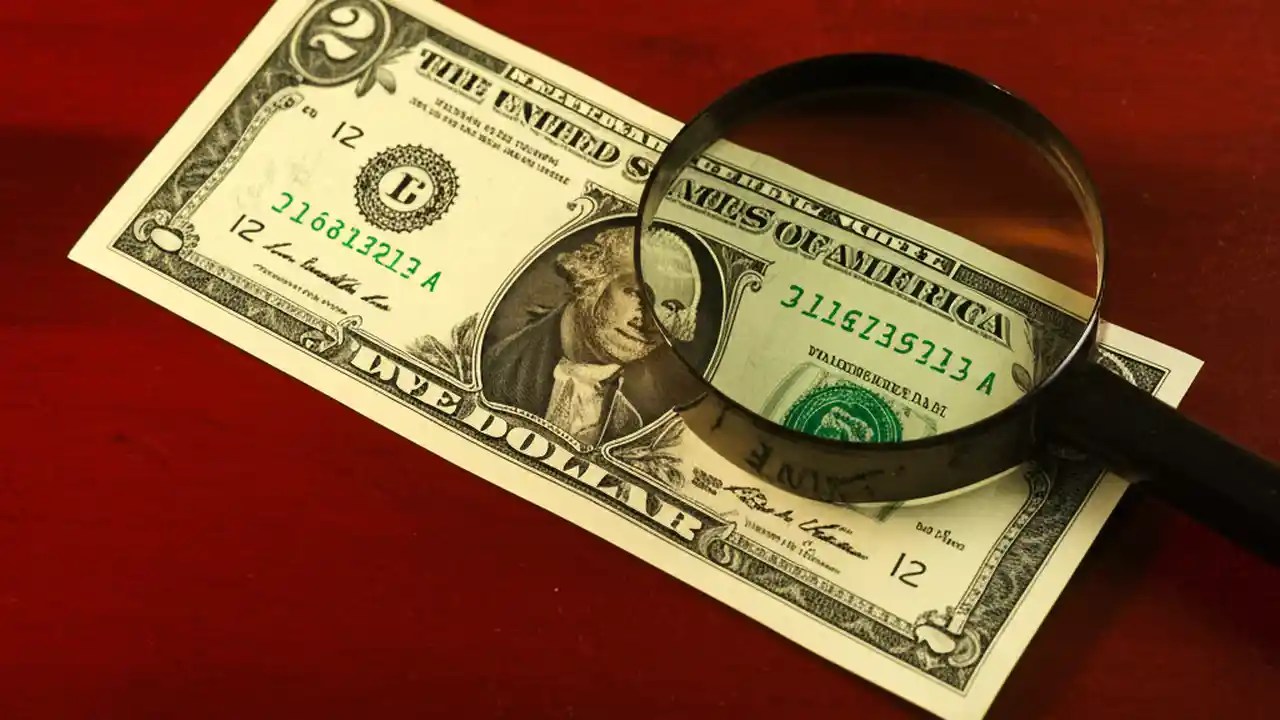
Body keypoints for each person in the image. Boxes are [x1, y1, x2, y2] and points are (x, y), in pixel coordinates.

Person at [482, 225, 702, 445]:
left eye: (671, 308)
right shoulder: (497, 364)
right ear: (592, 281)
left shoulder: (640, 422)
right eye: (636, 294)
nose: (646, 324)